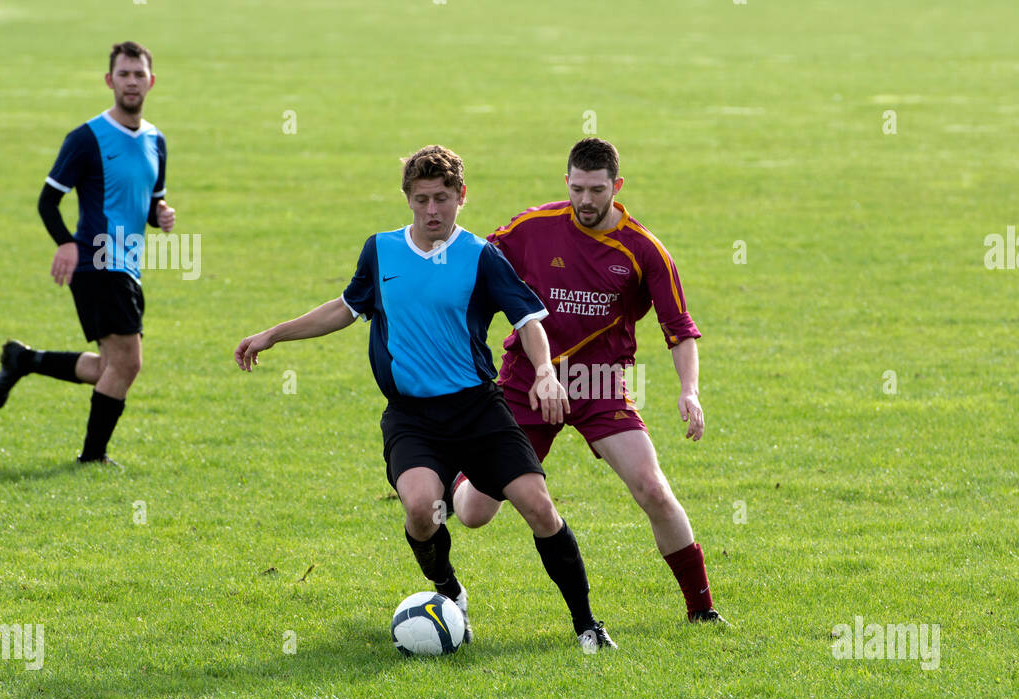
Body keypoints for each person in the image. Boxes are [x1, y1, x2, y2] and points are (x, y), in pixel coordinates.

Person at [233, 145, 617, 653]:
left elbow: (529, 321)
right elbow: (346, 309)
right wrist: (274, 334)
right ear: (407, 199)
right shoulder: (381, 250)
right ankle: (448, 591)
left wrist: (545, 373)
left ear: (462, 196)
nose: (432, 210)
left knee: (539, 507)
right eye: (420, 200)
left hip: (480, 409)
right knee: (420, 509)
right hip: (414, 417)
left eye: (442, 198)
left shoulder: (480, 255)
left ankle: (587, 625)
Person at [452, 138, 730, 625]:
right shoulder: (529, 228)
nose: (585, 200)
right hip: (527, 384)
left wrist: (689, 390)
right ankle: (455, 466)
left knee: (653, 488)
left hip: (598, 383)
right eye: (577, 188)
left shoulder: (644, 250)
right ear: (566, 182)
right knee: (475, 512)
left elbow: (680, 330)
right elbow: (473, 272)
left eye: (596, 190)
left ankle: (701, 610)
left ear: (616, 187)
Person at [0, 41, 175, 467]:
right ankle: (92, 458)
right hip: (98, 261)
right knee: (128, 363)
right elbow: (47, 201)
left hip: (130, 265)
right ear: (110, 81)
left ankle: (23, 359)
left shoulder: (156, 141)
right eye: (123, 74)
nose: (131, 81)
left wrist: (161, 215)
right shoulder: (86, 138)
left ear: (151, 81)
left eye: (138, 74)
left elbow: (150, 206)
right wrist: (67, 243)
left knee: (109, 366)